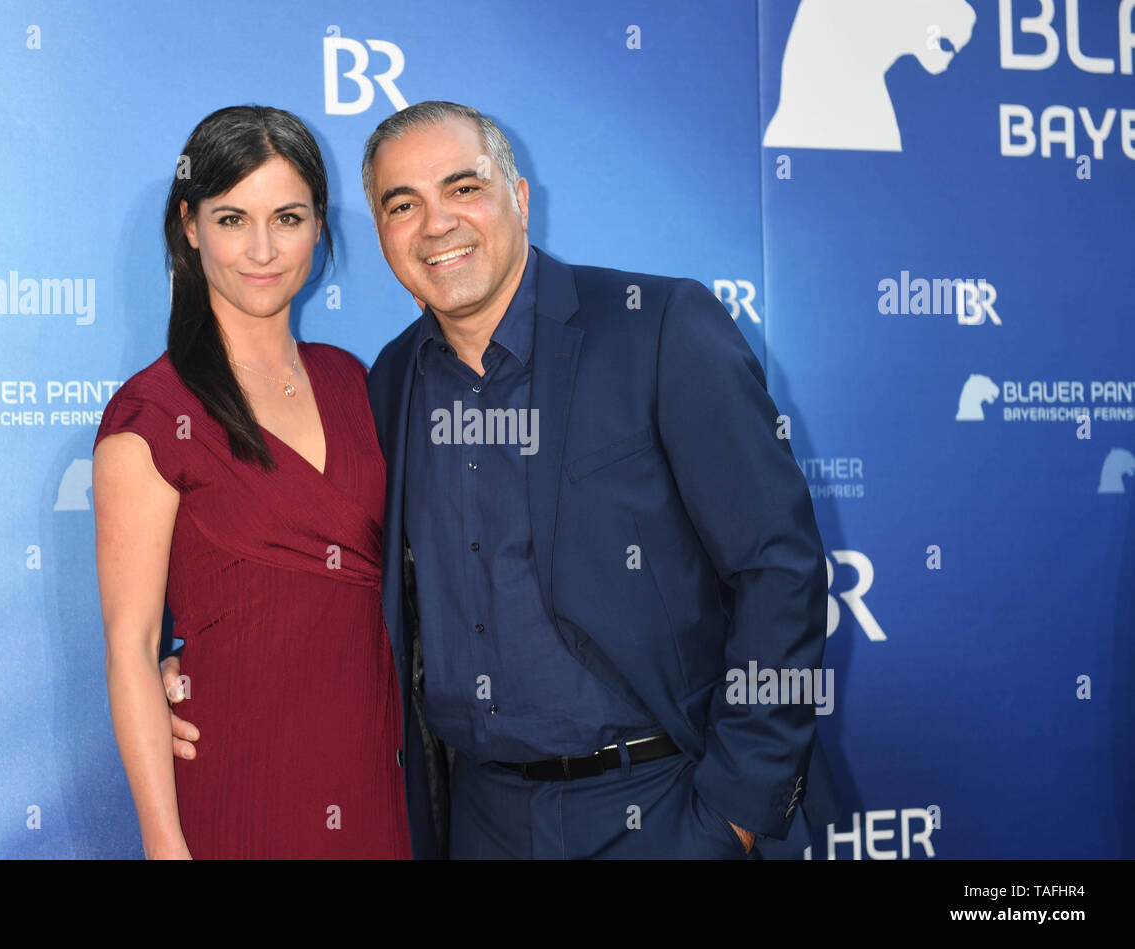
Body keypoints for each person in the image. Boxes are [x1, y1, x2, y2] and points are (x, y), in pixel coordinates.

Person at [166, 100, 841, 859]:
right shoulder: (387, 384)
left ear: (519, 199)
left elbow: (776, 566)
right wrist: (200, 668)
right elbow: (342, 578)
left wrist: (733, 811)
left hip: (662, 803)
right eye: (403, 204)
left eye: (464, 188)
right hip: (479, 819)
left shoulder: (655, 327)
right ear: (383, 234)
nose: (436, 224)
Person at [94, 105, 410, 859]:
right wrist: (166, 847)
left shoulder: (354, 382)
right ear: (190, 224)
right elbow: (131, 647)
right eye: (232, 218)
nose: (263, 249)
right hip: (236, 786)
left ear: (320, 227)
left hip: (378, 779)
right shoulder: (152, 413)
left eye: (289, 217)